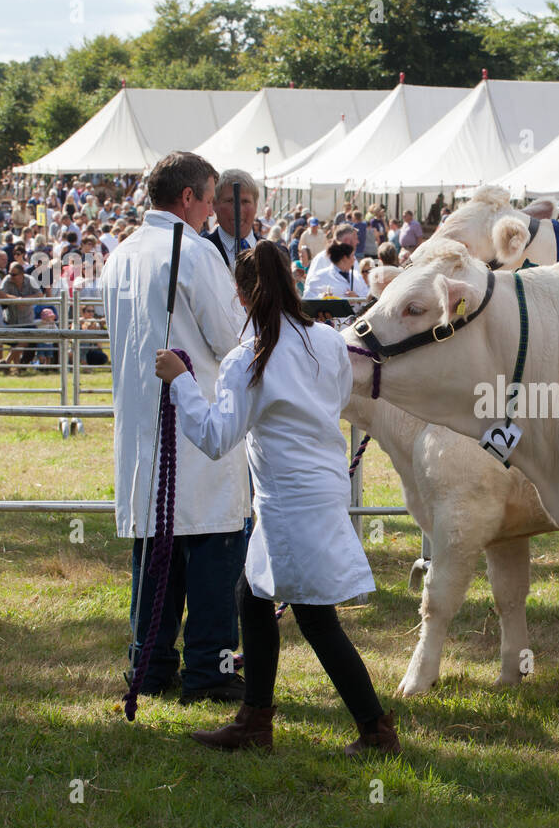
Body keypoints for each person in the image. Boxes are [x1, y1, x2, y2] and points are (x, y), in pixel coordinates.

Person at [154, 240, 400, 756]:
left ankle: (375, 728)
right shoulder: (328, 341)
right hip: (316, 488)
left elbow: (218, 437)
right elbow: (332, 401)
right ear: (290, 282)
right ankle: (256, 719)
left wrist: (181, 384)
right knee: (254, 595)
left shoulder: (250, 358)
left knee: (314, 617)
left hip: (289, 498)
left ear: (241, 298)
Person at [98, 150, 250, 704]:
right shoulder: (195, 252)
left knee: (155, 551)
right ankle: (208, 670)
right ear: (189, 197)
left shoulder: (121, 255)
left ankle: (150, 663)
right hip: (195, 421)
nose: (214, 211)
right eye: (210, 199)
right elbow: (232, 339)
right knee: (212, 549)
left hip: (142, 427)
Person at [205, 169, 258, 272]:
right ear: (215, 204)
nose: (238, 210)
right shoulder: (202, 251)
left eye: (245, 201)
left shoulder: (276, 252)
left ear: (255, 206)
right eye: (230, 201)